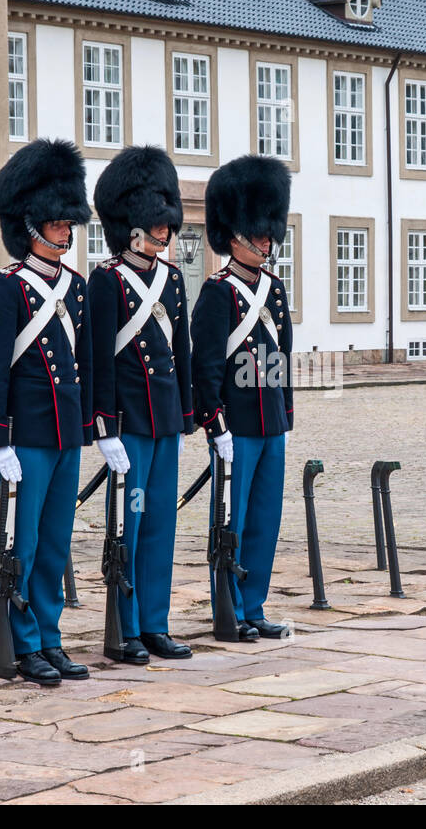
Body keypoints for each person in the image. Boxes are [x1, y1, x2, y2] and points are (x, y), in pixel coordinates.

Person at [0, 137, 94, 686]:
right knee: (24, 541)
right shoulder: (8, 288)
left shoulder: (77, 288)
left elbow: (84, 363)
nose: (66, 230)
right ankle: (23, 643)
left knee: (56, 540)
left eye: (68, 222)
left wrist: (96, 427)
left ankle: (50, 635)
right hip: (27, 437)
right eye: (57, 222)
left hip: (65, 435)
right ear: (32, 225)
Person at [88, 145, 195, 663]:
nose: (165, 232)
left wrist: (192, 414)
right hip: (129, 422)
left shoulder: (172, 279)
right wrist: (104, 427)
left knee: (161, 525)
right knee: (129, 524)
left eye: (166, 223)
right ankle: (125, 627)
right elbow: (98, 361)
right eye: (157, 224)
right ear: (134, 225)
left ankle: (155, 621)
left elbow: (182, 351)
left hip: (165, 420)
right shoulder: (106, 280)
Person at [190, 155, 294, 642]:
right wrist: (215, 423)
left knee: (265, 519)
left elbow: (283, 356)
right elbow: (207, 364)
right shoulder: (217, 293)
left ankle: (254, 604)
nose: (267, 242)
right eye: (259, 233)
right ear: (235, 235)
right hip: (235, 425)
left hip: (270, 421)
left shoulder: (274, 290)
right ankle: (227, 607)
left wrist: (284, 414)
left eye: (270, 233)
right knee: (232, 519)